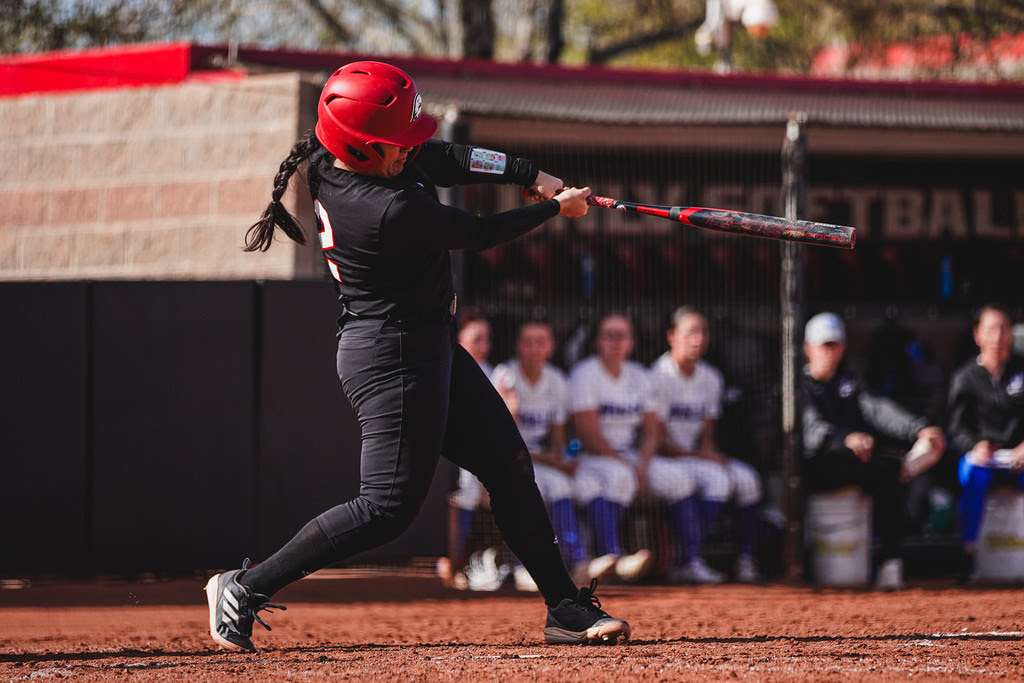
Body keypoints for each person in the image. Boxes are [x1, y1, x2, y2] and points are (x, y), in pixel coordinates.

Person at [204, 61, 629, 650]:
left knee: (508, 465)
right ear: (360, 145)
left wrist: (526, 172)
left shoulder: (346, 155)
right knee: (386, 509)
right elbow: (476, 234)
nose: (408, 149)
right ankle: (243, 587)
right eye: (395, 143)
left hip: (429, 344)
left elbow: (446, 158)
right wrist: (556, 209)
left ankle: (565, 607)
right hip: (390, 357)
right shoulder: (384, 211)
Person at [801, 312, 946, 591]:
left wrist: (918, 428)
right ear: (808, 349)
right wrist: (844, 438)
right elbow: (811, 430)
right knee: (876, 467)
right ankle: (804, 565)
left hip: (855, 462)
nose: (829, 352)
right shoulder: (801, 386)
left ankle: (890, 562)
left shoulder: (849, 383)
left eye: (835, 345)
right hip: (817, 465)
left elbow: (879, 409)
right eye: (823, 345)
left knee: (888, 472)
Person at [650, 307, 763, 584]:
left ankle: (746, 559)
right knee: (718, 481)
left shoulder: (711, 377)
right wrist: (704, 457)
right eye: (690, 333)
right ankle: (689, 559)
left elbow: (707, 434)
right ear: (671, 336)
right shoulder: (658, 375)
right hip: (667, 458)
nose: (697, 339)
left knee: (749, 480)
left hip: (695, 457)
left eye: (702, 332)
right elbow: (659, 441)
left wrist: (709, 453)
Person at [490, 321, 591, 590]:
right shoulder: (505, 374)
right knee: (525, 488)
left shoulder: (556, 379)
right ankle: (518, 566)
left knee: (560, 484)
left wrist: (562, 458)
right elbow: (502, 436)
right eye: (528, 342)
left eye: (541, 341)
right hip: (505, 458)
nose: (534, 348)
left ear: (551, 347)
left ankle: (578, 561)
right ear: (518, 346)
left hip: (537, 458)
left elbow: (558, 438)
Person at [568, 313, 658, 582]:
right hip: (586, 454)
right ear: (598, 341)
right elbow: (587, 434)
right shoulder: (585, 372)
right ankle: (611, 557)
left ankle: (605, 560)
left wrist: (641, 464)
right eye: (609, 335)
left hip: (628, 456)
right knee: (605, 481)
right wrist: (629, 466)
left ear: (631, 342)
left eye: (622, 336)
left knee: (631, 478)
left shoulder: (640, 375)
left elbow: (653, 431)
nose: (616, 342)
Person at [948, 305, 1024, 581]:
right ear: (978, 335)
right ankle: (968, 555)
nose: (999, 336)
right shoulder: (965, 378)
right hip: (985, 460)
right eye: (992, 329)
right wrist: (976, 445)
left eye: (1004, 329)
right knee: (972, 475)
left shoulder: (1021, 369)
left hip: (1018, 460)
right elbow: (956, 430)